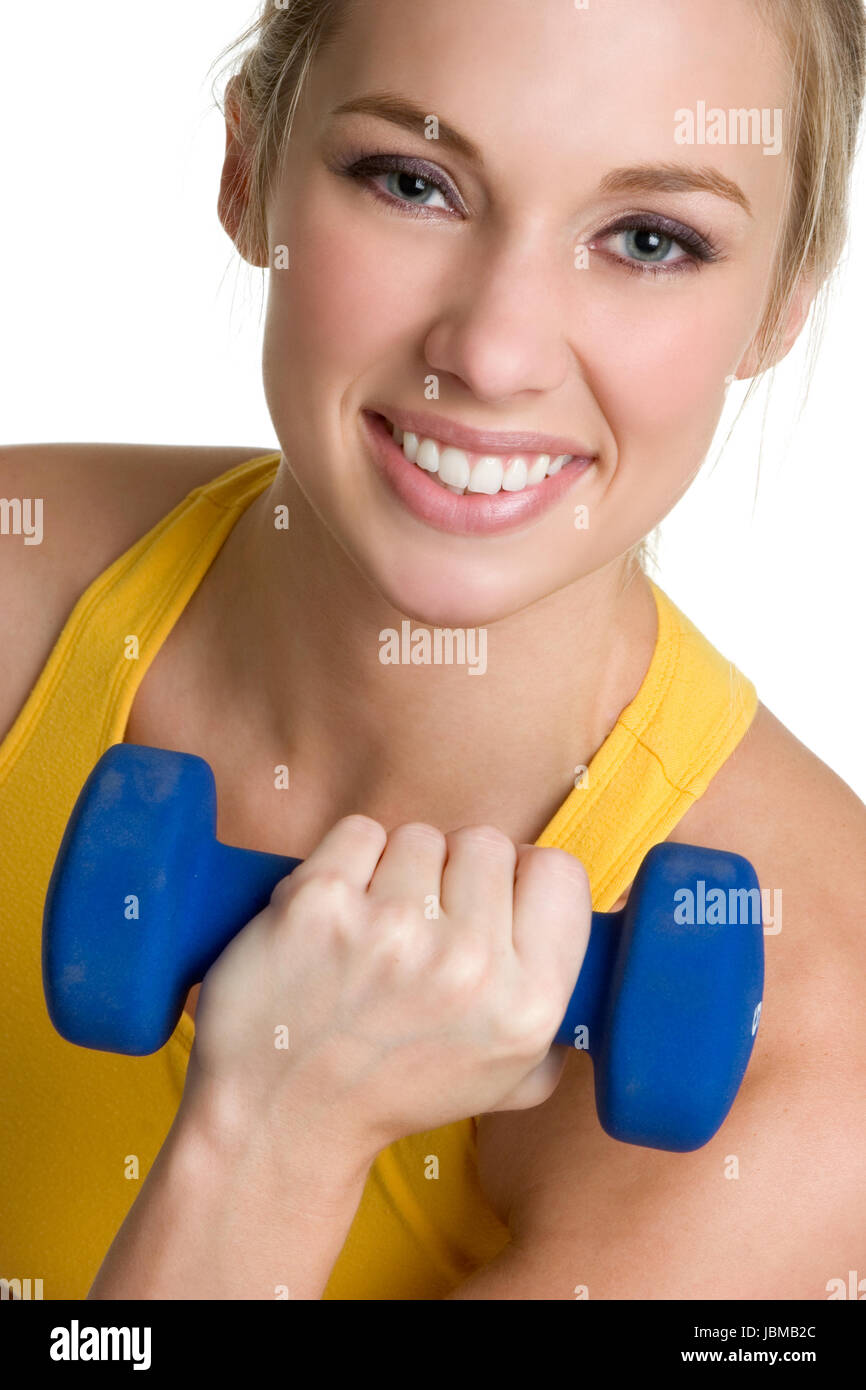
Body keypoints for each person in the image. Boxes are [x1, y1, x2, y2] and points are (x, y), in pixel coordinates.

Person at [1, 0, 865, 1301]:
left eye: (648, 238)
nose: (494, 348)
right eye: (413, 181)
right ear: (247, 174)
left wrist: (282, 1132)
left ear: (778, 310)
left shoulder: (814, 1047)